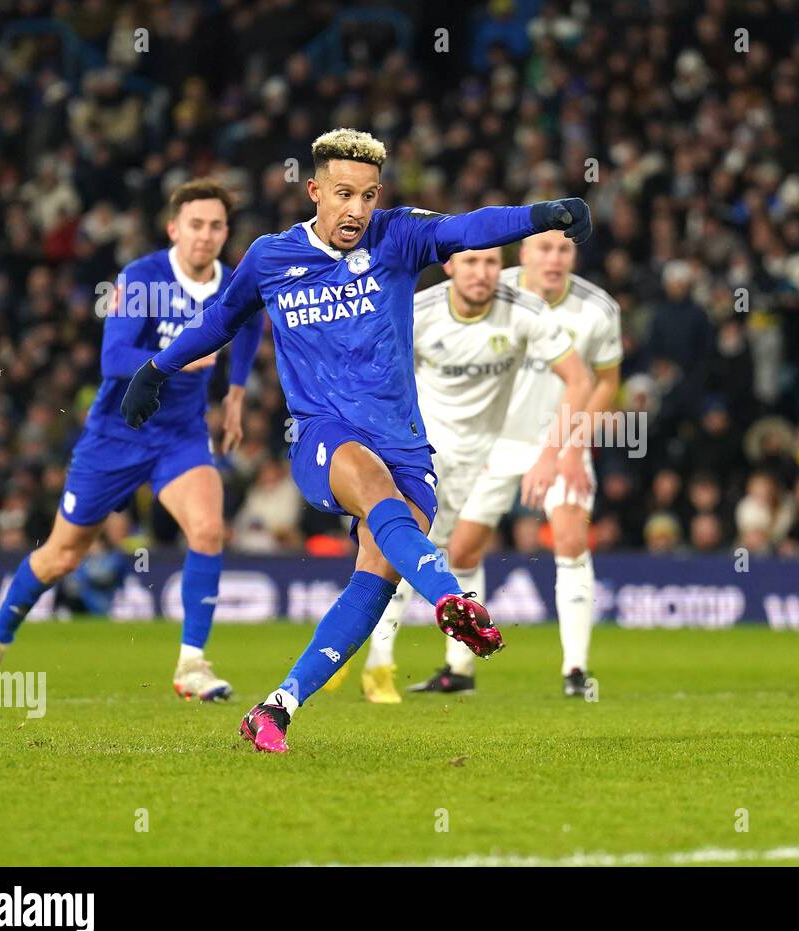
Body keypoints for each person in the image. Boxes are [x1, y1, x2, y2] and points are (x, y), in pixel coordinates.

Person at [120, 128, 593, 752]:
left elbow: (470, 228)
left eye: (369, 196)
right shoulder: (270, 258)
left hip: (406, 445)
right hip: (325, 436)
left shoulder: (397, 235)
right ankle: (453, 599)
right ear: (315, 191)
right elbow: (219, 321)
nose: (357, 210)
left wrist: (545, 215)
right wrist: (156, 368)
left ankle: (277, 708)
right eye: (344, 194)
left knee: (375, 576)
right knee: (372, 490)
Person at [0, 180, 262, 705]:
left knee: (209, 529)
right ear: (174, 228)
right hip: (116, 435)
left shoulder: (233, 282)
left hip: (180, 435)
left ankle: (192, 664)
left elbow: (252, 318)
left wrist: (236, 390)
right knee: (61, 557)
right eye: (195, 224)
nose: (206, 236)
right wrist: (176, 360)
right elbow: (113, 357)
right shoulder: (143, 278)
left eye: (216, 226)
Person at [333, 244, 590, 702]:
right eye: (470, 262)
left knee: (439, 554)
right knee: (406, 552)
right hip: (421, 457)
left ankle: (384, 655)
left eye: (491, 262)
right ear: (449, 265)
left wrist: (554, 453)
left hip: (483, 461)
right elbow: (372, 373)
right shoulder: (420, 311)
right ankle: (377, 665)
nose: (481, 272)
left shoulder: (523, 311)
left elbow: (580, 379)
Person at [404, 229, 621, 697]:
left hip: (559, 441)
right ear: (521, 254)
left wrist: (570, 447)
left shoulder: (598, 309)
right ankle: (458, 669)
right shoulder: (490, 292)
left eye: (564, 249)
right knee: (461, 550)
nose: (554, 258)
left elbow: (604, 382)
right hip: (493, 442)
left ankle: (575, 671)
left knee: (569, 537)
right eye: (544, 248)